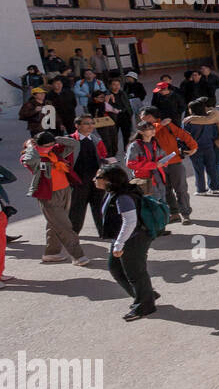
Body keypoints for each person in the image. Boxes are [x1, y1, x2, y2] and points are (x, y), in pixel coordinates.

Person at [95, 164, 158, 321]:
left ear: (109, 180)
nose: (94, 180)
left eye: (98, 177)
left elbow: (129, 222)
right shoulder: (114, 192)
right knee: (115, 268)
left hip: (133, 239)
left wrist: (119, 244)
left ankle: (145, 305)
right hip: (123, 238)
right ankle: (146, 294)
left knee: (135, 273)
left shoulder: (123, 197)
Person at [20, 132, 89, 265]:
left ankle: (51, 253)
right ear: (37, 145)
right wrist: (30, 146)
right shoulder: (32, 157)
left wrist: (55, 138)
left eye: (52, 145)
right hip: (48, 195)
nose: (50, 147)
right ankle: (78, 256)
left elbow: (74, 143)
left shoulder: (55, 152)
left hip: (65, 190)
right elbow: (29, 160)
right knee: (65, 226)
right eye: (47, 145)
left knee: (55, 223)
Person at [139, 107, 197, 224]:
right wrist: (161, 124)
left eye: (146, 117)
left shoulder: (168, 125)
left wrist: (193, 147)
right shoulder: (147, 128)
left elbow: (183, 135)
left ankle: (185, 214)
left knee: (181, 189)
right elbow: (148, 134)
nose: (143, 119)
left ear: (153, 116)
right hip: (158, 165)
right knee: (165, 190)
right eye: (142, 118)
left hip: (174, 162)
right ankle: (174, 214)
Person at [67, 115, 109, 238]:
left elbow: (103, 155)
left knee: (100, 207)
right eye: (86, 123)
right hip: (78, 181)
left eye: (92, 123)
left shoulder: (96, 140)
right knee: (77, 209)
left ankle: (104, 232)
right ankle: (73, 233)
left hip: (96, 180)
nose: (90, 126)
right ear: (77, 125)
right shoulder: (70, 141)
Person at [183, 99, 219, 194]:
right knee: (211, 167)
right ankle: (214, 187)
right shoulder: (210, 119)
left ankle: (201, 189)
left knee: (198, 169)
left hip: (195, 148)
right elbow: (215, 134)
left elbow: (185, 136)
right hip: (209, 146)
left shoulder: (188, 121)